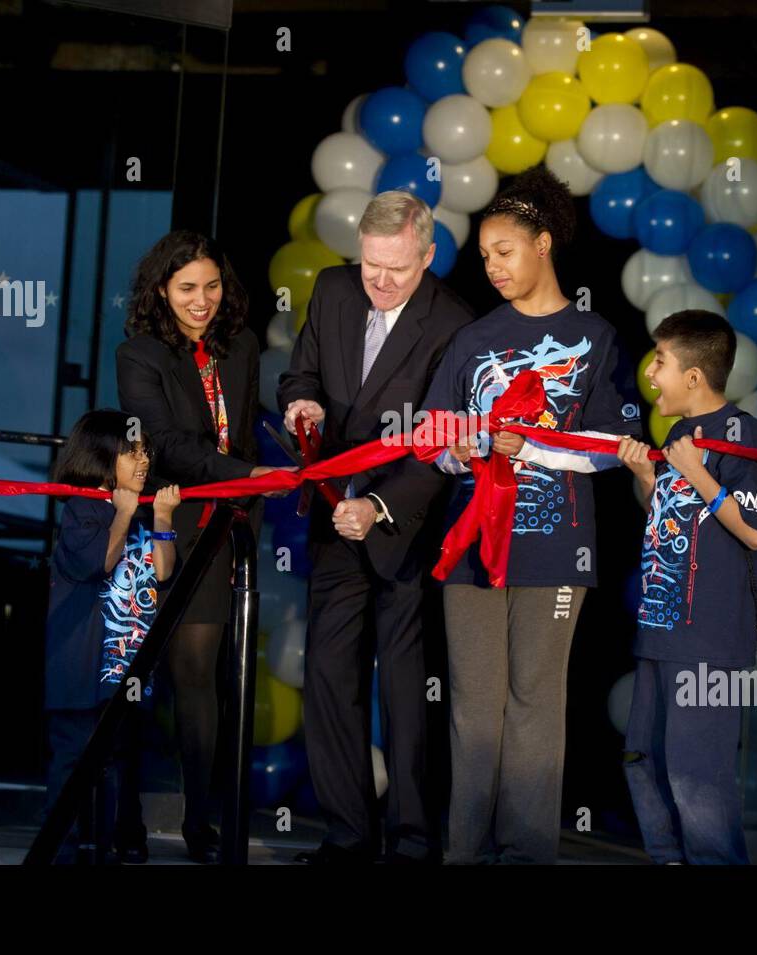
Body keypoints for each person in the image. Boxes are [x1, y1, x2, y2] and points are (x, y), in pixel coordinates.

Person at [421, 165, 642, 863]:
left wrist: (534, 446)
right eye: (484, 255)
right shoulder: (473, 337)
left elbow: (614, 446)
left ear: (543, 243)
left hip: (558, 548)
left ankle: (525, 852)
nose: (492, 267)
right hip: (471, 542)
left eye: (504, 251)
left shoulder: (597, 333)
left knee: (535, 700)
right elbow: (431, 437)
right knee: (471, 702)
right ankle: (464, 850)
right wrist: (468, 449)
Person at [278, 191, 474, 864]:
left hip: (406, 531)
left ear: (427, 255)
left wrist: (381, 506)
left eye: (397, 268)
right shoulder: (332, 289)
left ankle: (416, 840)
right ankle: (348, 835)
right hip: (335, 517)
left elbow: (448, 444)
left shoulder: (455, 323)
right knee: (330, 677)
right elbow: (300, 371)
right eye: (371, 266)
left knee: (407, 690)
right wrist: (299, 399)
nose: (381, 281)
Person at [116, 231, 284, 863]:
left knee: (198, 678)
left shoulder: (239, 346)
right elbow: (162, 444)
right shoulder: (138, 354)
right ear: (162, 290)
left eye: (212, 286)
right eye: (187, 288)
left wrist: (248, 492)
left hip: (221, 531)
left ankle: (198, 823)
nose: (202, 300)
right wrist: (244, 472)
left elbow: (238, 433)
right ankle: (123, 818)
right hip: (158, 526)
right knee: (133, 678)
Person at [615, 311, 757, 865]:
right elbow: (678, 520)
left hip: (707, 638)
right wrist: (646, 481)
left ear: (694, 376)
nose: (651, 373)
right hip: (661, 630)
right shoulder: (683, 434)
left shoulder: (742, 433)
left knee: (696, 772)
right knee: (644, 758)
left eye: (660, 361)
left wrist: (698, 473)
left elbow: (755, 531)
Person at [44, 409, 181, 864]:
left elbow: (163, 571)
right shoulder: (81, 507)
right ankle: (59, 852)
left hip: (127, 669)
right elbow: (96, 563)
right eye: (132, 453)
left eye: (146, 454)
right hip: (82, 666)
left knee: (115, 766)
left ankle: (101, 848)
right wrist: (120, 516)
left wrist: (161, 517)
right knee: (72, 764)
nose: (143, 462)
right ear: (103, 456)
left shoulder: (139, 510)